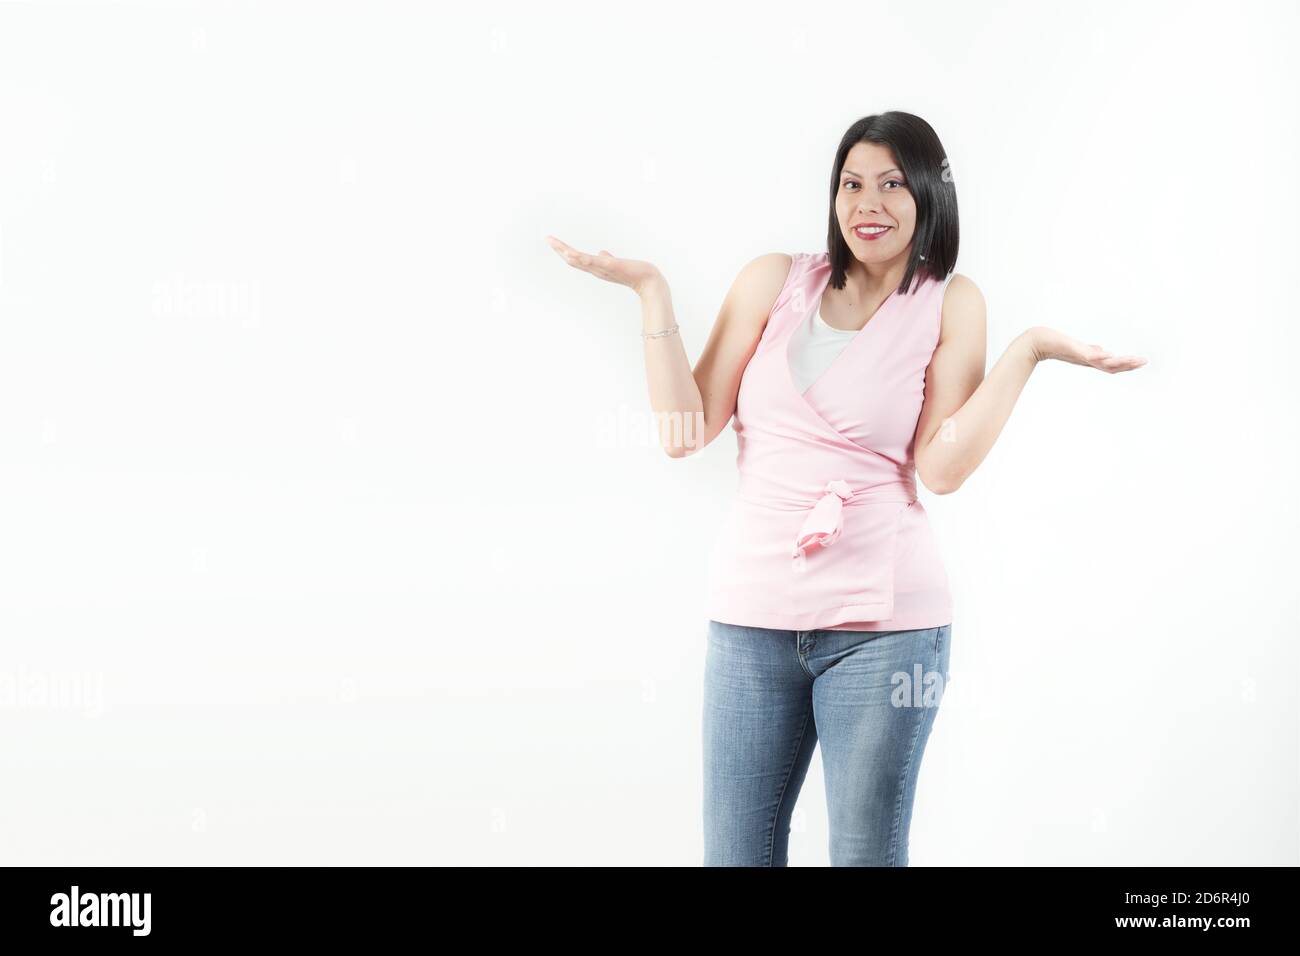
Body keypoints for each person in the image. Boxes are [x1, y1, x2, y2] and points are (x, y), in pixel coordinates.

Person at [547, 111, 1146, 866]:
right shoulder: (776, 280)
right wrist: (651, 293)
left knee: (864, 853)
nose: (869, 202)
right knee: (735, 855)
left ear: (930, 193)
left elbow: (942, 468)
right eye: (852, 183)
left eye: (893, 183)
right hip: (750, 620)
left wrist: (1026, 354)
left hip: (886, 631)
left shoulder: (948, 303)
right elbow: (684, 430)